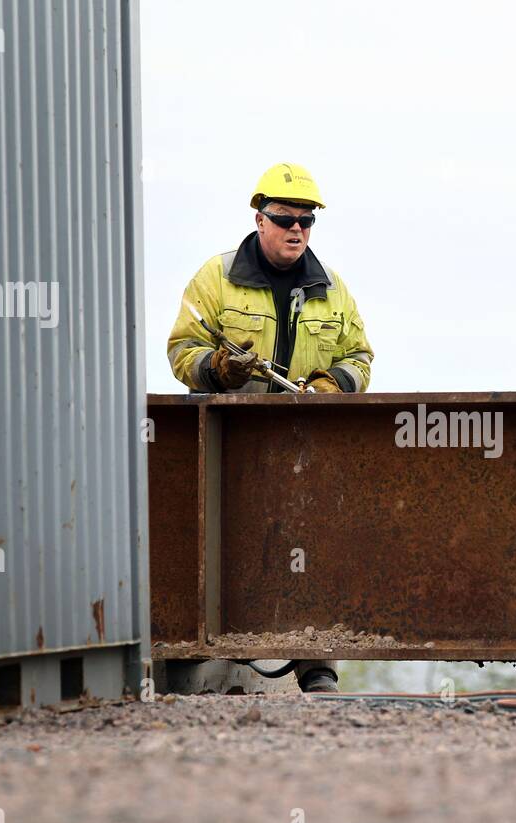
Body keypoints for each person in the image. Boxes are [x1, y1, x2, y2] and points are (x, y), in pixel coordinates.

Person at [167, 162, 375, 692]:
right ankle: (202, 645)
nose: (297, 230)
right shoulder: (215, 280)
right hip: (228, 445)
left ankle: (314, 663)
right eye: (285, 219)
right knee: (220, 544)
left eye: (306, 221)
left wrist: (335, 388)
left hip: (303, 450)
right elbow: (181, 352)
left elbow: (359, 356)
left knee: (308, 548)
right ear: (260, 220)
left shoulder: (331, 291)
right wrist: (218, 369)